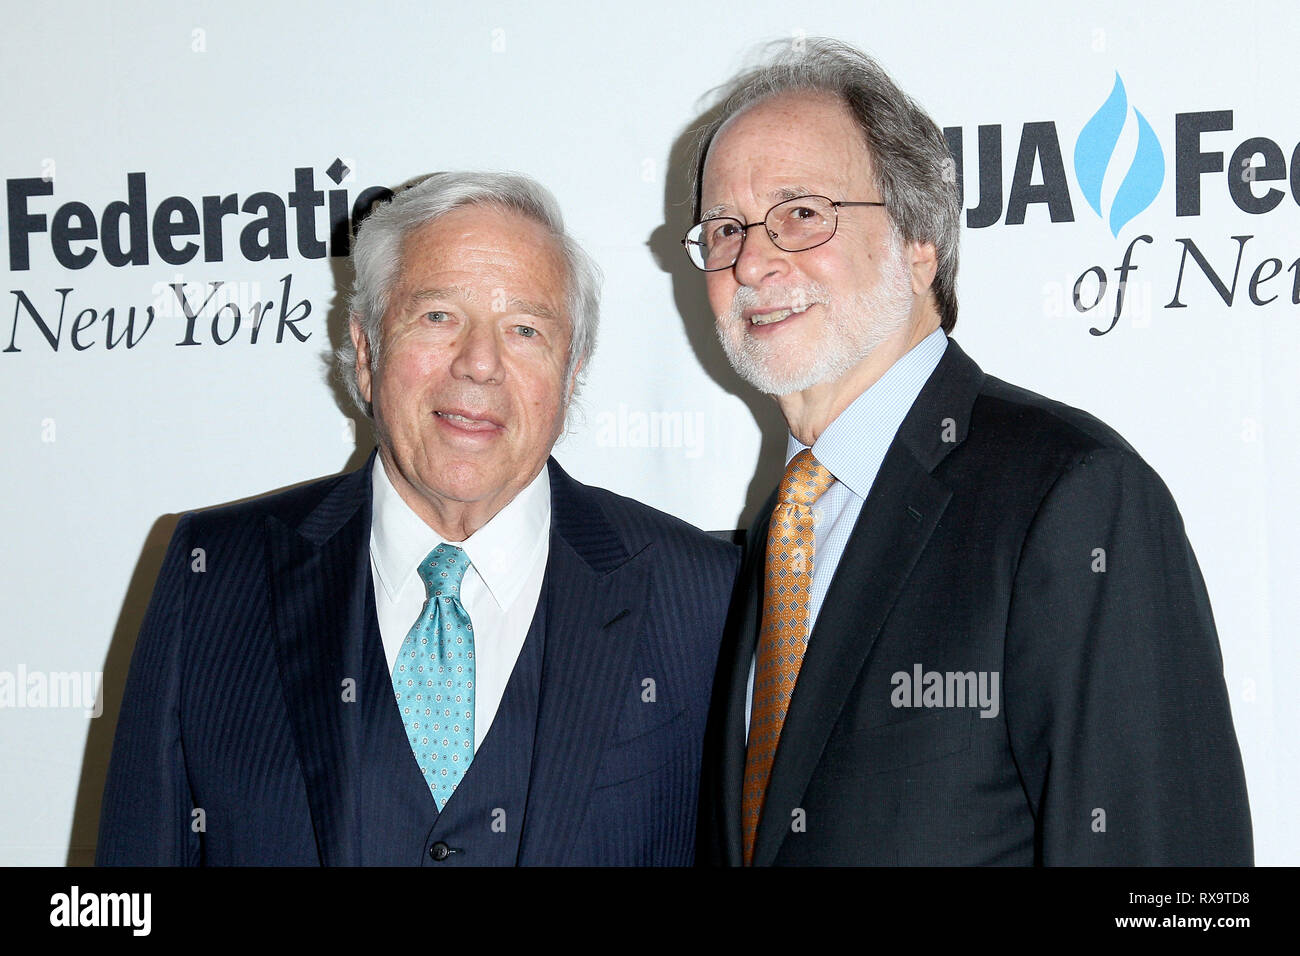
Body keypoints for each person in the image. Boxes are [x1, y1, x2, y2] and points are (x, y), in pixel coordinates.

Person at [686, 39, 1252, 865]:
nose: (754, 259)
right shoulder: (783, 527)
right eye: (724, 227)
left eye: (801, 214)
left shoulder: (1071, 496)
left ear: (921, 243)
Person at [97, 171, 738, 866]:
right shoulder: (211, 577)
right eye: (438, 317)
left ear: (572, 372)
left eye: (525, 329)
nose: (479, 364)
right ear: (367, 352)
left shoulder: (704, 596)